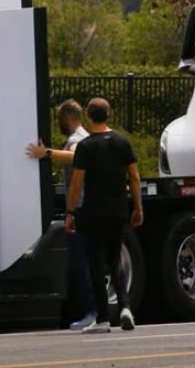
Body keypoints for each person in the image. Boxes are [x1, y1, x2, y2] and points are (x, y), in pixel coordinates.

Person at [66, 98, 143, 334]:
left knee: (96, 263)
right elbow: (135, 177)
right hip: (118, 210)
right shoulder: (122, 142)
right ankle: (125, 307)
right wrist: (138, 207)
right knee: (115, 259)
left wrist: (70, 212)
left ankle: (102, 319)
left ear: (89, 116)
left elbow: (77, 182)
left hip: (93, 212)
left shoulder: (86, 146)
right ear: (109, 114)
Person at [25, 100, 92, 330]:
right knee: (83, 265)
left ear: (69, 117)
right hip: (83, 207)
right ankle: (92, 313)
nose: (58, 123)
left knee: (81, 266)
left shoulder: (77, 140)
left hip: (81, 208)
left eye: (59, 119)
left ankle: (91, 313)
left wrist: (46, 153)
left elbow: (75, 157)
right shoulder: (83, 137)